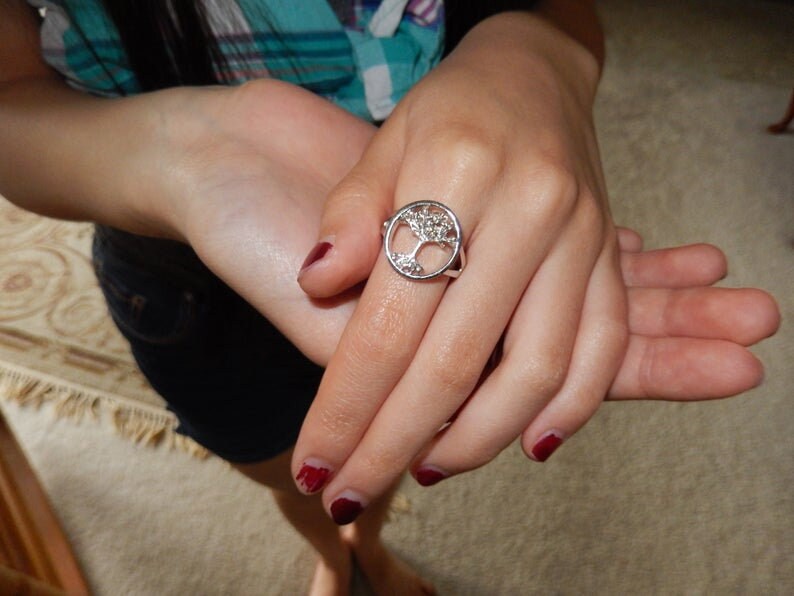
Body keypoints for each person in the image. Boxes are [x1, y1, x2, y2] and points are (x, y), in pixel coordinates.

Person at [0, 1, 779, 594]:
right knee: (298, 472)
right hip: (183, 285)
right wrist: (180, 154)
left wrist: (536, 52)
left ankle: (365, 547)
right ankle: (331, 554)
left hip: (465, 243)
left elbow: (566, 12)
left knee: (393, 442)